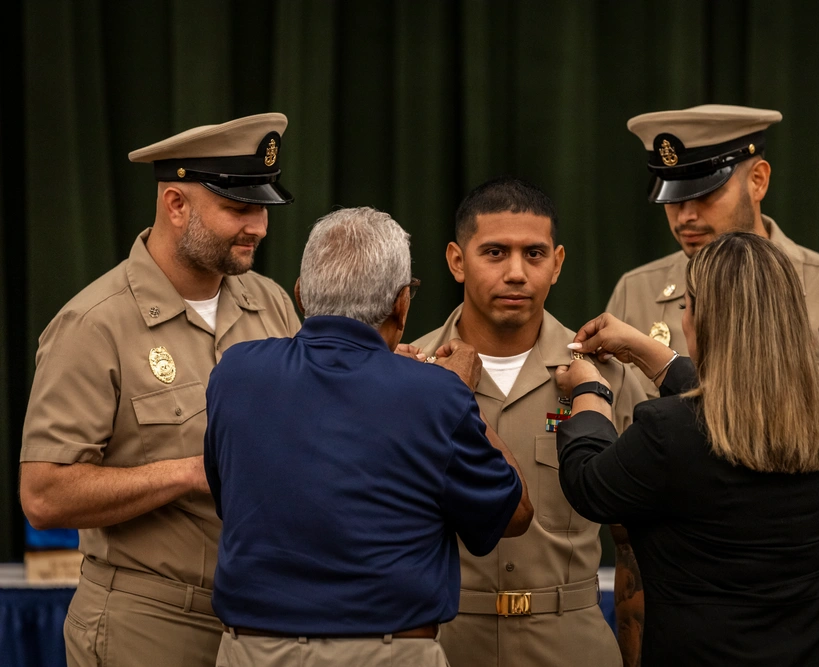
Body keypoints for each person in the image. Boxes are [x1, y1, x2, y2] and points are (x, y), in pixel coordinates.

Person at [606, 104, 819, 667]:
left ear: (758, 179)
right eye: (673, 198)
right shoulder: (637, 294)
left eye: (704, 193)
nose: (685, 216)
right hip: (678, 626)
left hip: (807, 620)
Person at [19, 113, 301, 667]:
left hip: (262, 625)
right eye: (239, 208)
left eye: (263, 208)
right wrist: (192, 472)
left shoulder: (269, 304)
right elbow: (44, 496)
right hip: (147, 627)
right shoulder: (94, 325)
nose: (260, 227)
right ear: (176, 205)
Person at [204, 206, 532, 667]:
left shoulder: (234, 372)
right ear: (401, 303)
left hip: (253, 650)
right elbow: (514, 514)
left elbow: (227, 497)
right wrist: (458, 392)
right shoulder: (436, 394)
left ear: (301, 295)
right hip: (387, 652)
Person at [557, 232, 819, 666]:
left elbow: (587, 482)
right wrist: (652, 354)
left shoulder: (669, 430)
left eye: (686, 306)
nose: (685, 317)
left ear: (704, 320)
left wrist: (590, 392)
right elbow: (743, 399)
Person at [408, 177, 647, 667]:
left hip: (570, 642)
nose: (516, 273)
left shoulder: (606, 378)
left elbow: (636, 541)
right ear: (457, 260)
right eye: (494, 253)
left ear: (557, 264)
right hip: (445, 643)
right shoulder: (409, 373)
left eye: (534, 254)